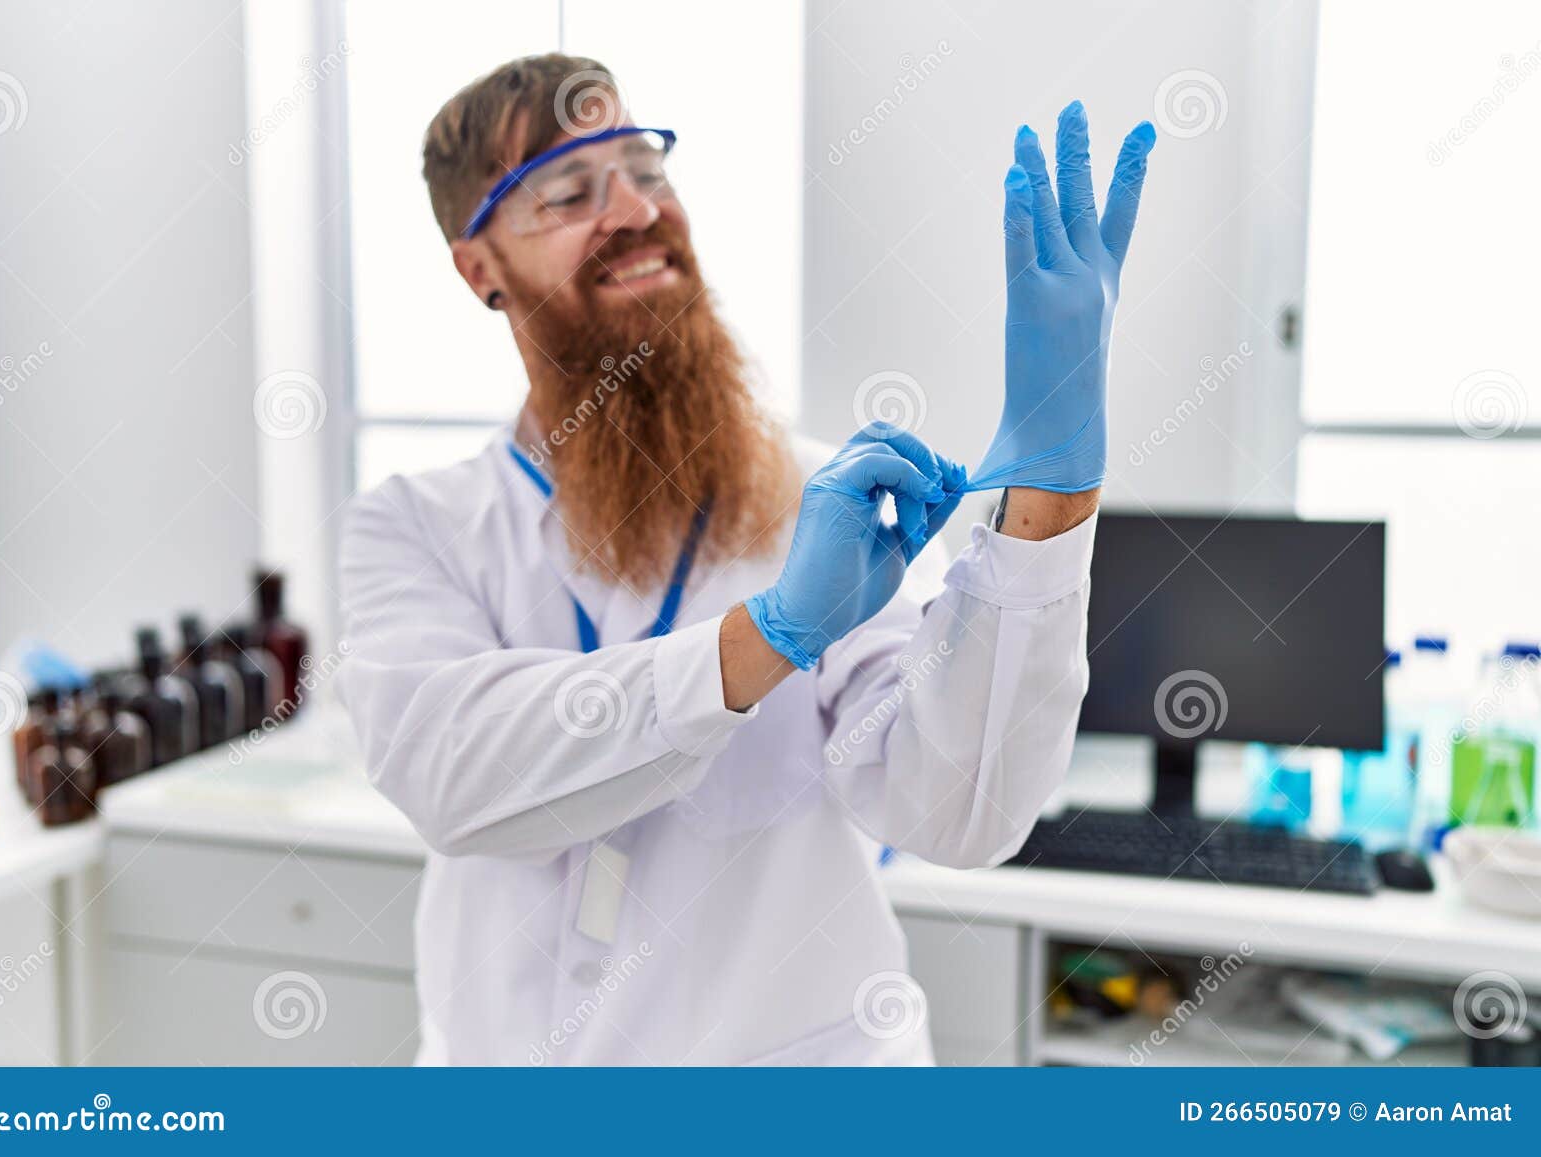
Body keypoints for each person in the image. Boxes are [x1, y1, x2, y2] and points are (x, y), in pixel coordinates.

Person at [336, 53, 1153, 1065]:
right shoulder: (415, 525)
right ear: (480, 269)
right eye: (569, 192)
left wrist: (1056, 491)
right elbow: (450, 771)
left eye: (646, 168)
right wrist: (765, 639)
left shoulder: (826, 507)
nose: (633, 209)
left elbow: (955, 809)